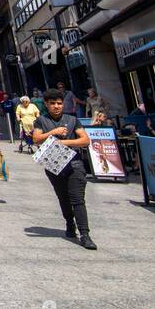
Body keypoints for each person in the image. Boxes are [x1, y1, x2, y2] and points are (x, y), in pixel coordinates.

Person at [32, 88, 96, 250]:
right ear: (46, 104)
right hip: (54, 165)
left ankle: (85, 234)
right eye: (52, 103)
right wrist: (54, 132)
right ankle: (69, 223)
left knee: (78, 199)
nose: (56, 106)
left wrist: (64, 143)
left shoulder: (73, 119)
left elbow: (85, 140)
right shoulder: (41, 121)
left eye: (59, 103)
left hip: (74, 164)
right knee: (63, 197)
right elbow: (36, 139)